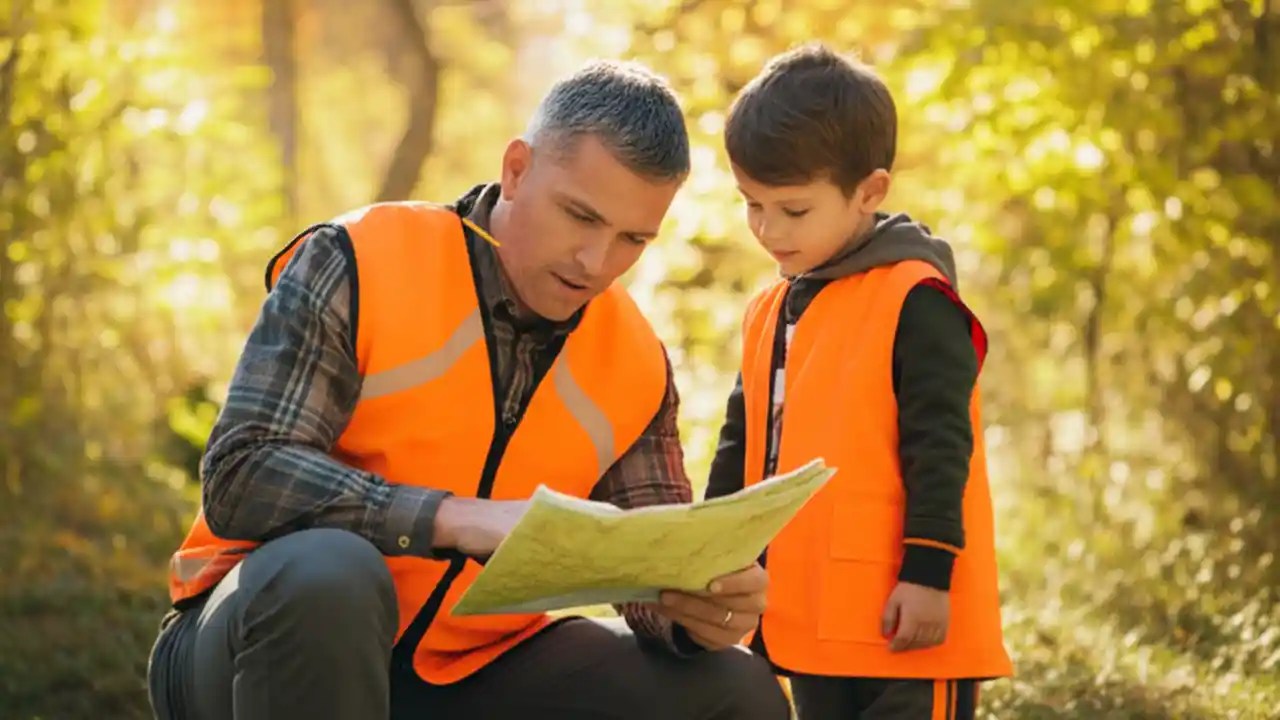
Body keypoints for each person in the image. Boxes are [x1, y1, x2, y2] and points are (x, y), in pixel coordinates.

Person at [147, 60, 790, 720]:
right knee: (330, 573)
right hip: (254, 642)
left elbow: (651, 557)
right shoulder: (359, 259)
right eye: (579, 216)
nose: (596, 262)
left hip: (474, 670)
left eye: (632, 239)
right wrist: (454, 518)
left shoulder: (634, 358)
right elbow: (242, 474)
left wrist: (697, 610)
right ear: (517, 169)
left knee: (735, 691)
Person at [705, 44, 1014, 719]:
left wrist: (930, 576)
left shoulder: (917, 297)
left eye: (792, 210)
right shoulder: (771, 308)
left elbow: (942, 446)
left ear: (869, 192)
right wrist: (707, 552)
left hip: (910, 618)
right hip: (810, 623)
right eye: (751, 205)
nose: (766, 229)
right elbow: (744, 443)